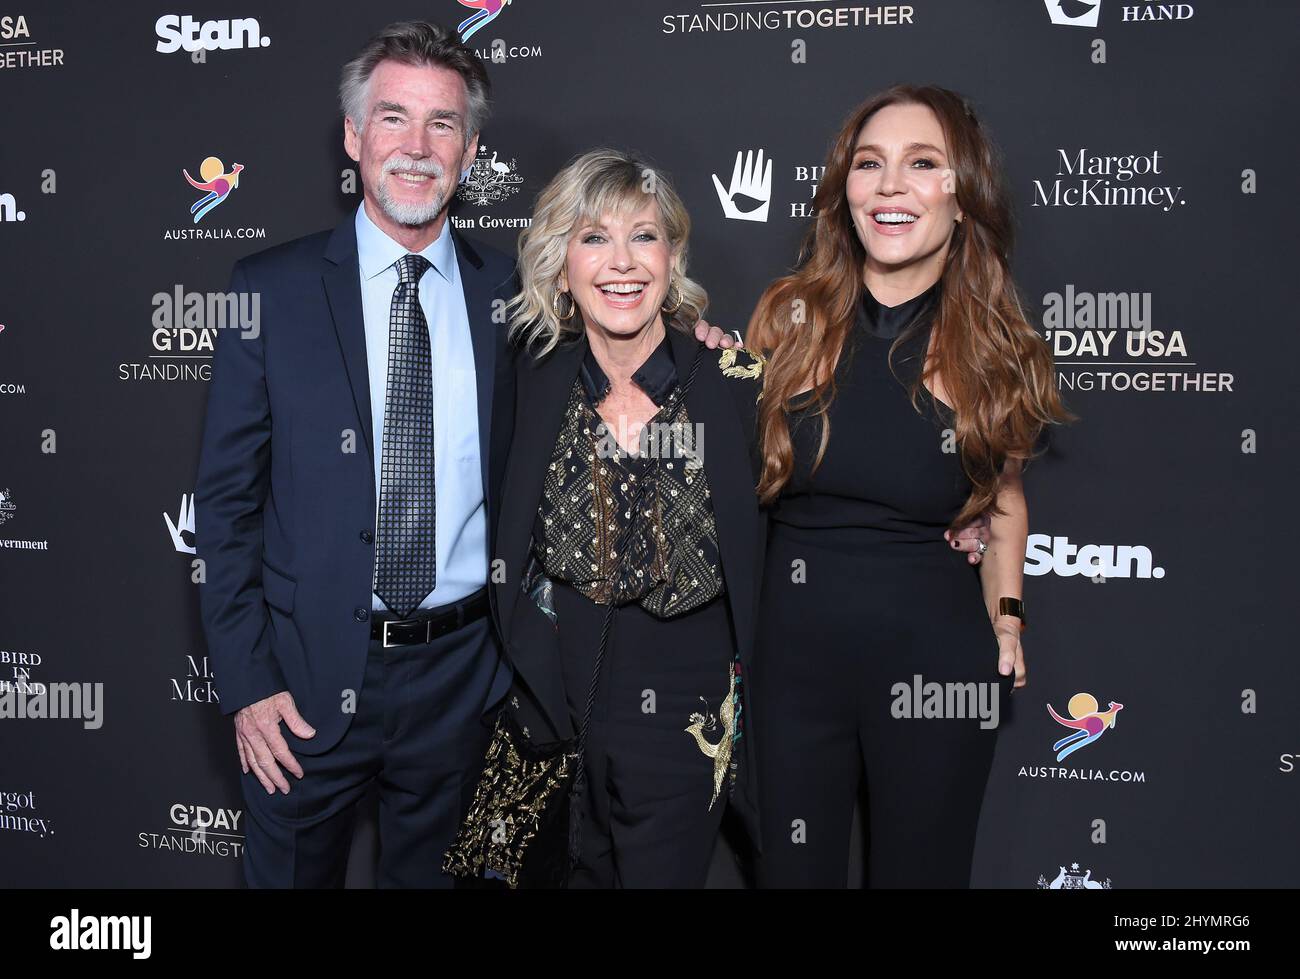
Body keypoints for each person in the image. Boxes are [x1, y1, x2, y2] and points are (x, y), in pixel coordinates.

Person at [195, 20, 520, 888]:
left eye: (442, 124)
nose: (417, 148)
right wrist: (246, 682)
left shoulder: (516, 296)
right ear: (352, 135)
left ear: (472, 147)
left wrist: (704, 343)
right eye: (393, 118)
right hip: (300, 686)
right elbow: (223, 507)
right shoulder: (268, 290)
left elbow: (626, 341)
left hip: (464, 681)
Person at [743, 85, 1073, 887]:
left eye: (922, 164)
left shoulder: (997, 349)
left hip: (939, 672)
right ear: (845, 191)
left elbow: (1004, 505)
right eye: (869, 164)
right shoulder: (786, 319)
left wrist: (1007, 620)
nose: (890, 186)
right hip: (786, 669)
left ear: (963, 197)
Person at [450, 148, 768, 887]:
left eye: (644, 236)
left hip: (688, 698)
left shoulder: (734, 381)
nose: (621, 262)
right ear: (562, 267)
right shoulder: (529, 376)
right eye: (593, 238)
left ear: (673, 256)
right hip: (551, 689)